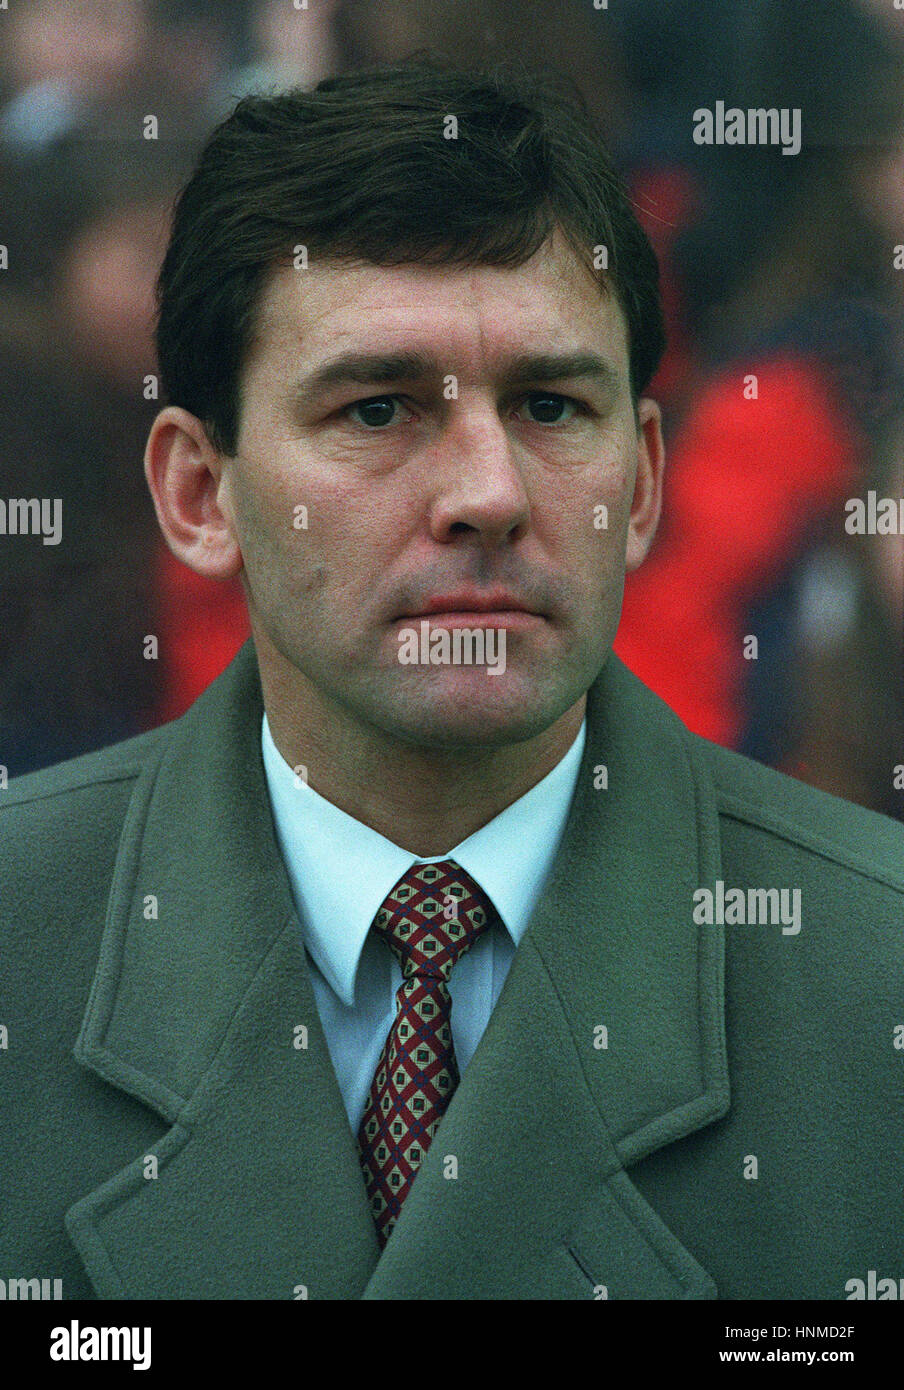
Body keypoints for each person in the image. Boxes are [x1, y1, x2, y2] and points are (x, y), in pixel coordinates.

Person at [1, 60, 901, 1302]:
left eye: (547, 404)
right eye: (376, 411)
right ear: (199, 494)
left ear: (640, 483)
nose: (487, 493)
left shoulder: (872, 979)